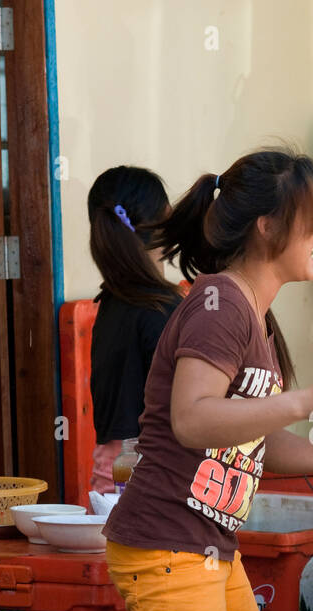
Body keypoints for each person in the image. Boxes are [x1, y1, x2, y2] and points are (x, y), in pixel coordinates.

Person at [102, 150, 313, 611]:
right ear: (268, 227)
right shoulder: (219, 303)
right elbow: (192, 419)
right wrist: (304, 399)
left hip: (209, 546)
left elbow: (246, 440)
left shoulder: (251, 312)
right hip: (168, 545)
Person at [86, 166, 183, 493]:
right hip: (150, 486)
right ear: (162, 224)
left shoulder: (112, 302)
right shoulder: (162, 308)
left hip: (109, 483)